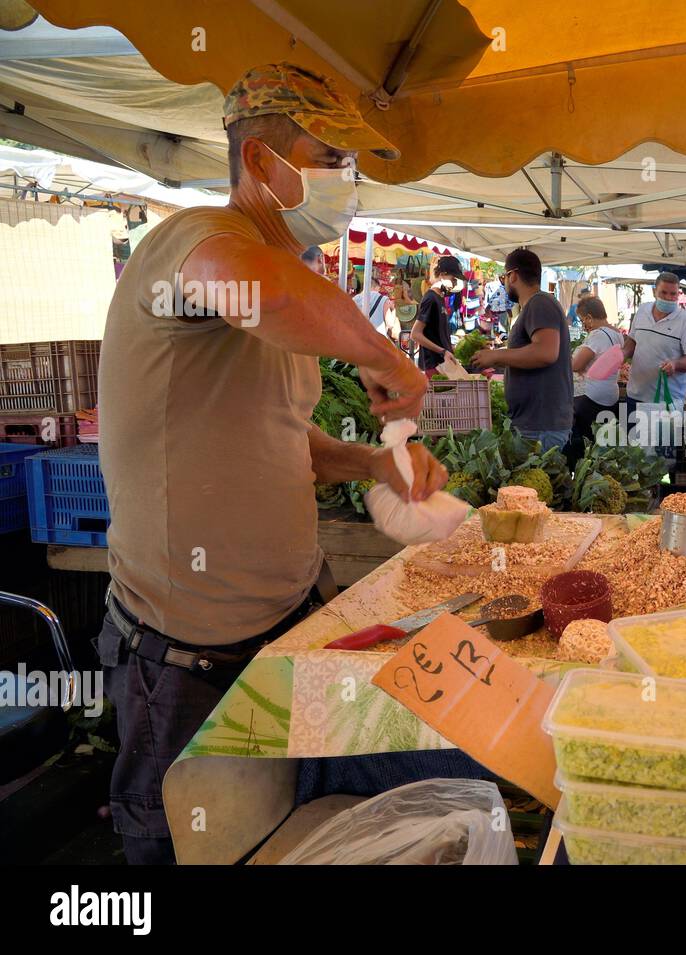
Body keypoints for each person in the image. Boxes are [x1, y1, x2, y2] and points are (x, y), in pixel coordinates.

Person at [95, 62, 444, 864]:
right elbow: (265, 297)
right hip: (183, 661)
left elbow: (284, 438)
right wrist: (393, 358)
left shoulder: (292, 274)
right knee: (180, 848)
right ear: (260, 163)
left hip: (284, 625)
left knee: (278, 837)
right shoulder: (196, 240)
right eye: (329, 158)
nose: (345, 182)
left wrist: (371, 465)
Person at [469, 247, 573, 450]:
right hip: (535, 424)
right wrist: (495, 356)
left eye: (503, 278)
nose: (504, 283)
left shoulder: (539, 303)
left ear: (513, 275)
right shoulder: (536, 305)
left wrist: (497, 356)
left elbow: (545, 352)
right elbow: (531, 352)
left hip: (540, 426)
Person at [622, 270, 686, 430]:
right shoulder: (642, 311)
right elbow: (631, 343)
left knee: (661, 452)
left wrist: (675, 364)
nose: (668, 298)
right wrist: (619, 356)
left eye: (673, 294)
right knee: (632, 449)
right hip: (635, 395)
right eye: (663, 293)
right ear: (654, 292)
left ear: (678, 294)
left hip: (667, 401)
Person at [566, 296, 624, 465]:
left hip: (589, 398)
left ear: (590, 317)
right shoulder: (617, 334)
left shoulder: (598, 335)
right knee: (600, 446)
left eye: (583, 320)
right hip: (609, 396)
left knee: (584, 447)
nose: (584, 324)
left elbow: (576, 365)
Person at [412, 255, 462, 371]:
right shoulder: (430, 298)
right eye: (453, 279)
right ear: (442, 275)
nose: (454, 283)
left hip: (443, 364)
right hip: (433, 365)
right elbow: (415, 334)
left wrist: (449, 349)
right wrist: (443, 351)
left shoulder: (440, 297)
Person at [353, 272, 398, 343]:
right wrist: (393, 309)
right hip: (377, 342)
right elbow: (390, 324)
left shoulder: (354, 299)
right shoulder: (383, 299)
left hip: (358, 340)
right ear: (377, 287)